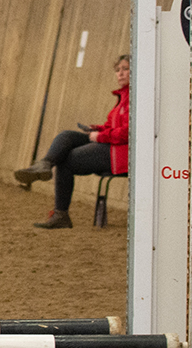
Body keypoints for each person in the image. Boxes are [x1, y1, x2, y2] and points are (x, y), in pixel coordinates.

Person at [15, 55, 130, 229]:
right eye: (118, 70)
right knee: (66, 136)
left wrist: (100, 137)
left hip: (122, 153)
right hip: (112, 144)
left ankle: (60, 214)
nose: (120, 73)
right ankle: (44, 165)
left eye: (125, 69)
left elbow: (130, 132)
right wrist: (98, 129)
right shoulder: (122, 98)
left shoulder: (136, 97)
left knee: (67, 161)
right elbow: (113, 126)